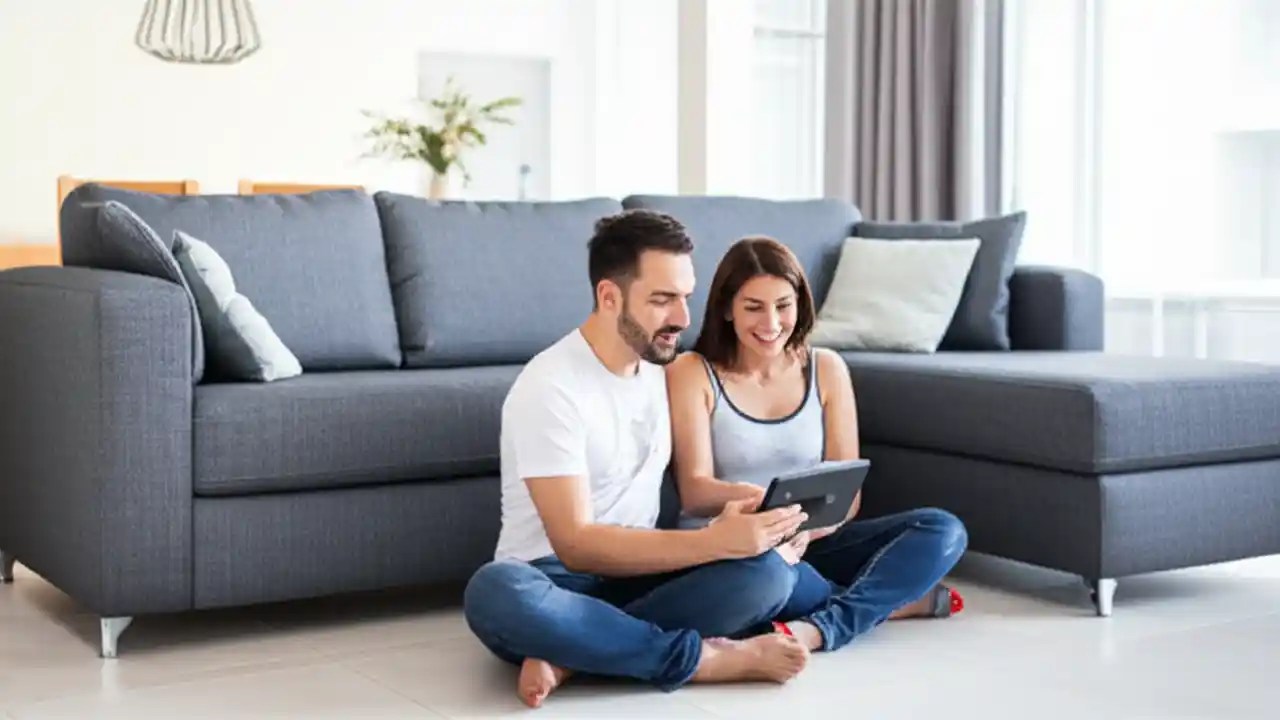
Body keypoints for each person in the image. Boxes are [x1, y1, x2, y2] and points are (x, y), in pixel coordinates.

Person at [463, 211, 816, 709]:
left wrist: (736, 525)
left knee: (768, 575)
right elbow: (576, 546)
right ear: (609, 297)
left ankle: (573, 655)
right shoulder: (551, 387)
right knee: (495, 590)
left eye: (686, 297)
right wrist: (712, 542)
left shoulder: (658, 368)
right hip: (553, 579)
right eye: (662, 299)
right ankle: (700, 660)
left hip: (642, 579)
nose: (683, 318)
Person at [665, 235, 969, 655]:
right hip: (736, 546)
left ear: (800, 304)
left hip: (811, 539)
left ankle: (823, 626)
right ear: (727, 309)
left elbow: (848, 492)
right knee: (772, 578)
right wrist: (772, 510)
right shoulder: (691, 371)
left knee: (943, 530)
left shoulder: (827, 368)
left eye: (783, 305)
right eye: (753, 307)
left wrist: (805, 532)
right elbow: (696, 491)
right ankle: (884, 602)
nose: (771, 323)